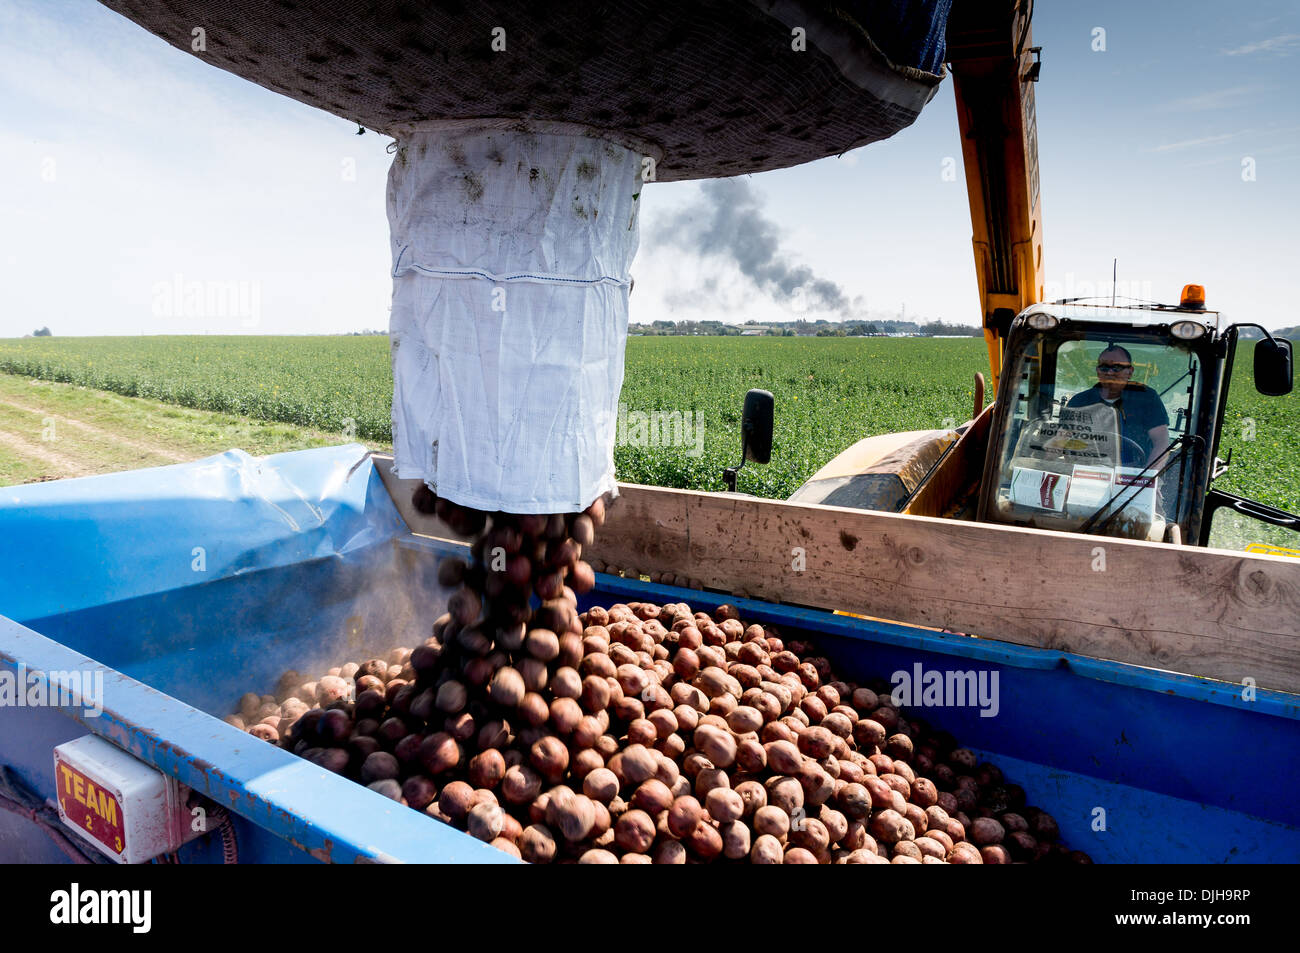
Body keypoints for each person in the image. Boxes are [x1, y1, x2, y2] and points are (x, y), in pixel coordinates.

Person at [1065, 345, 1170, 468]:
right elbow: (1063, 441)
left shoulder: (1146, 398)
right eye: (1104, 367)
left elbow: (1161, 442)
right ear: (1098, 370)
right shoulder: (1079, 401)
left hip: (1135, 475)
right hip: (1086, 472)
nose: (1109, 372)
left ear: (1130, 371)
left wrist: (1148, 478)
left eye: (1116, 367)